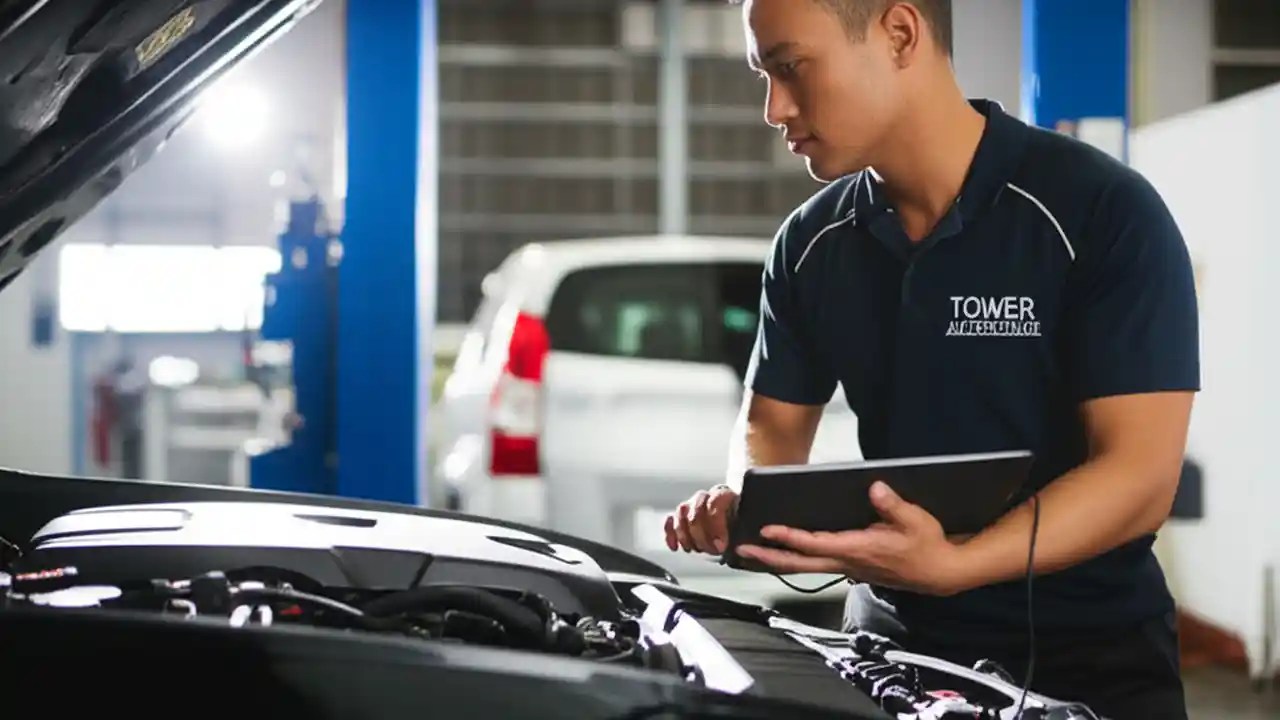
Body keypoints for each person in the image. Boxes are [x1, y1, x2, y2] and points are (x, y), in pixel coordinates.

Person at [662, 2, 1199, 719]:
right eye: (764, 76)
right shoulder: (810, 245)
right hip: (889, 655)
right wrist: (750, 504)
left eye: (790, 68)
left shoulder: (1100, 211)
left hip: (1092, 662)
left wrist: (960, 565)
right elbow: (768, 433)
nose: (773, 108)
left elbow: (1140, 477)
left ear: (899, 33)